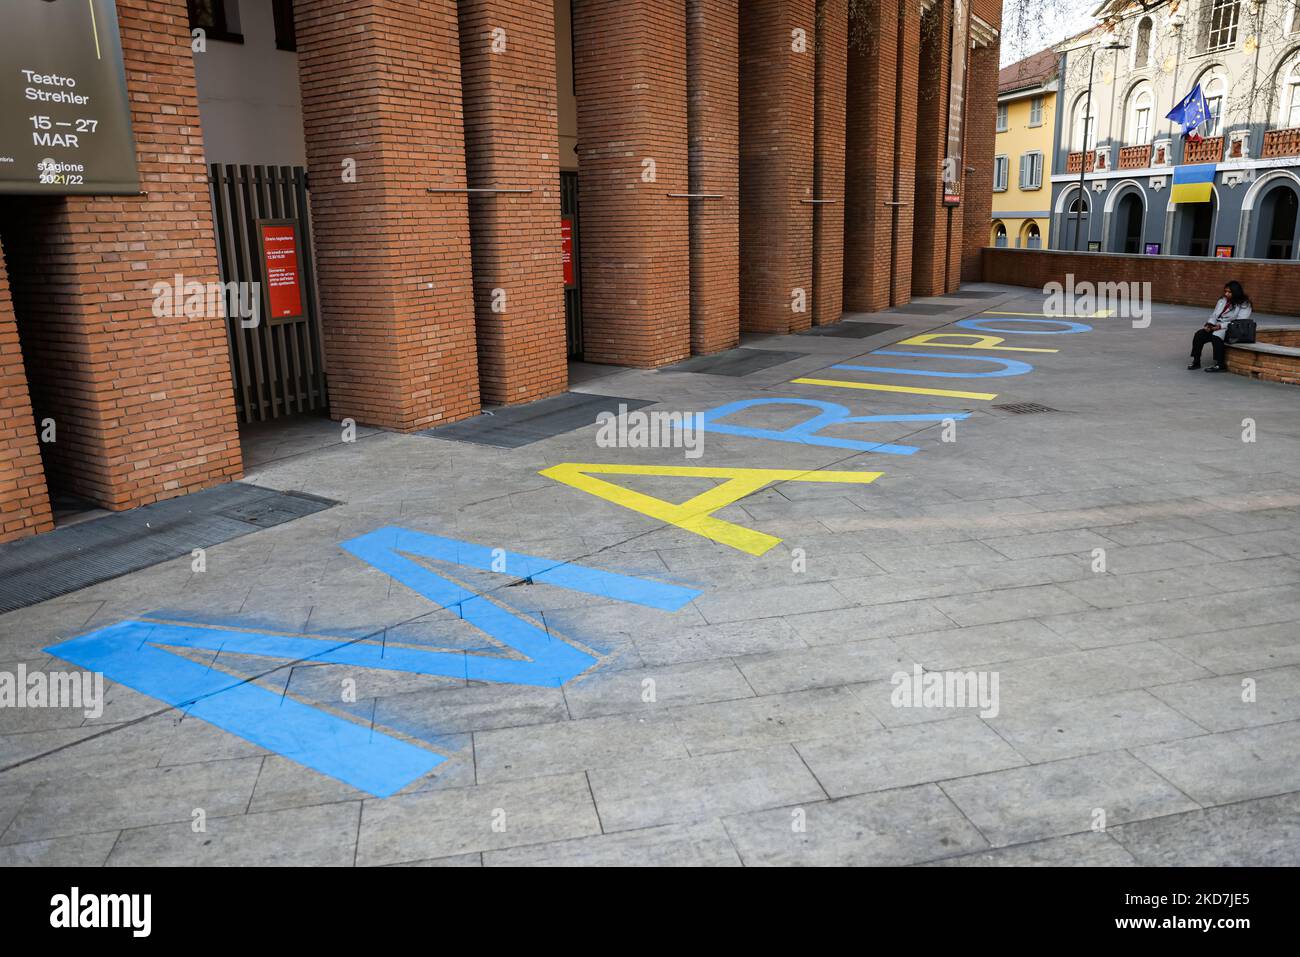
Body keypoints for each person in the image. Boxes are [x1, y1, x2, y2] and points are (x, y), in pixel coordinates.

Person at [1189, 281, 1252, 373]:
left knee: (1216, 336)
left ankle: (1220, 364)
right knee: (1199, 335)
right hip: (1216, 326)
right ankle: (1196, 361)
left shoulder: (1245, 304)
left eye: (1229, 292)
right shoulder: (1222, 300)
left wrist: (1220, 326)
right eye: (1225, 291)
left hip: (1231, 329)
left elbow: (1240, 322)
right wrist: (1209, 324)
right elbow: (1214, 314)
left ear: (1236, 292)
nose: (1226, 294)